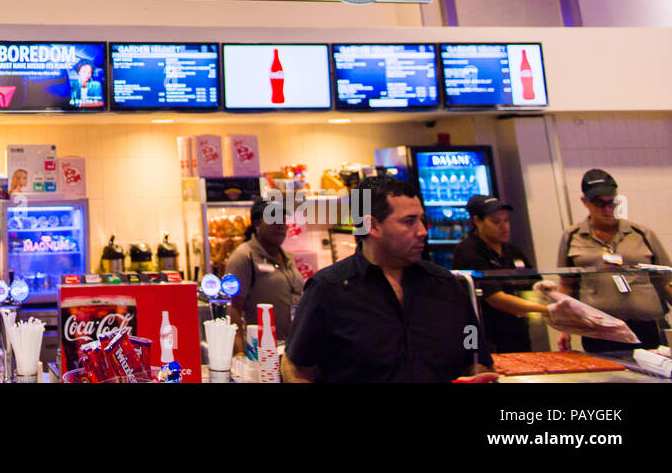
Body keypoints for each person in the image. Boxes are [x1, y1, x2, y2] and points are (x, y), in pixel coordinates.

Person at [282, 177, 496, 383]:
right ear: (372, 226)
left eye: (422, 220)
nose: (422, 231)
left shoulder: (448, 287)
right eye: (409, 222)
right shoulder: (329, 290)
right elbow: (296, 368)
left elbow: (475, 356)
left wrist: (478, 374)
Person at [556, 169, 672, 352]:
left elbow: (666, 281)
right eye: (599, 203)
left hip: (645, 326)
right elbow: (566, 285)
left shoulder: (642, 234)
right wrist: (564, 328)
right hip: (598, 329)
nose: (607, 209)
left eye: (612, 202)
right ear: (584, 201)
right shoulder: (572, 237)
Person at [451, 195, 547, 353]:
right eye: (496, 222)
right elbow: (496, 298)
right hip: (482, 336)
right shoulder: (468, 252)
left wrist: (542, 288)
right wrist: (546, 310)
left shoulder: (511, 250)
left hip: (517, 332)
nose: (504, 227)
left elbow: (533, 282)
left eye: (506, 221)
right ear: (477, 221)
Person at [224, 196, 304, 342]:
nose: (280, 225)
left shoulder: (287, 258)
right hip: (260, 351)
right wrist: (240, 354)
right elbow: (234, 310)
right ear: (257, 223)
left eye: (283, 219)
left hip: (293, 348)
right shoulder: (244, 257)